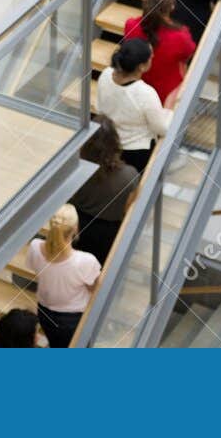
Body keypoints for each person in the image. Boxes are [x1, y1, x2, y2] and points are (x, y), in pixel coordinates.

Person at [27, 205, 102, 348]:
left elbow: (37, 270)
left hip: (44, 313)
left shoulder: (35, 247)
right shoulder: (85, 261)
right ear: (75, 229)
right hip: (73, 319)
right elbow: (95, 288)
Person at [94, 37, 170, 173]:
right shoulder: (146, 93)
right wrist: (170, 113)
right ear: (141, 66)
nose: (153, 58)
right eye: (151, 57)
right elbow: (161, 128)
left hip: (109, 144)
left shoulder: (105, 74)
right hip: (136, 152)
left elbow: (100, 107)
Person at [69, 115, 139, 261]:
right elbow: (127, 209)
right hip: (108, 233)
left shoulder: (75, 169)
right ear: (115, 142)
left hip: (76, 225)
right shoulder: (129, 175)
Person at [122, 0, 196, 106]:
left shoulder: (131, 26)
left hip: (137, 88)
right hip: (167, 93)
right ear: (172, 7)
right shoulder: (181, 36)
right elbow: (188, 54)